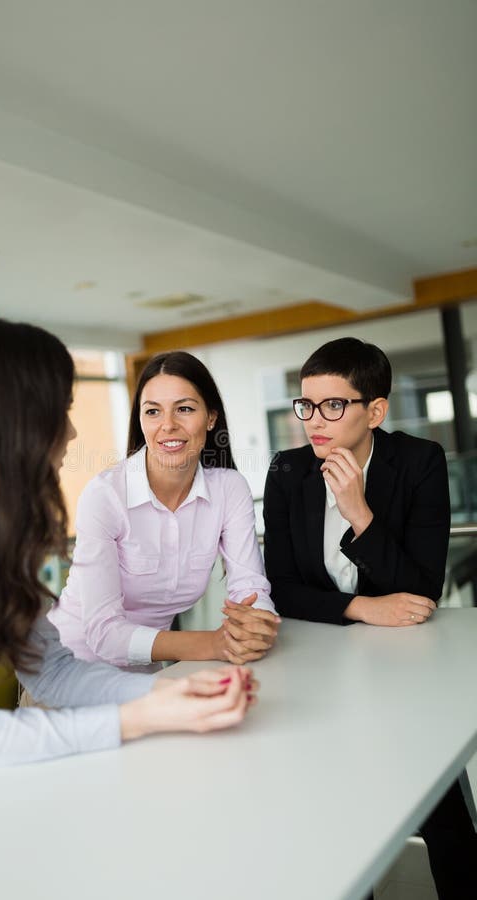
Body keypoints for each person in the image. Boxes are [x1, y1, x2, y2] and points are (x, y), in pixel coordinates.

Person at [0, 320, 257, 802]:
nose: (72, 430)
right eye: (60, 412)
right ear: (8, 422)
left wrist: (167, 695)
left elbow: (52, 670)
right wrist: (140, 716)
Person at [263, 336, 477, 899]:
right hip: (322, 669)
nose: (315, 420)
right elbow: (281, 588)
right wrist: (361, 607)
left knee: (443, 818)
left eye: (334, 405)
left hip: (405, 665)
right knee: (337, 814)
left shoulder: (418, 462)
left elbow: (422, 590)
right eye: (306, 405)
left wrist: (359, 513)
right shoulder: (287, 471)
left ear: (374, 410)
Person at [49, 350, 280, 671]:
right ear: (140, 420)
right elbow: (105, 635)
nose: (168, 425)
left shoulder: (229, 488)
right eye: (153, 411)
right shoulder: (106, 494)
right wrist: (215, 642)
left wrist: (256, 624)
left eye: (184, 409)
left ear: (211, 417)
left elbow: (249, 585)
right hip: (69, 669)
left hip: (145, 672)